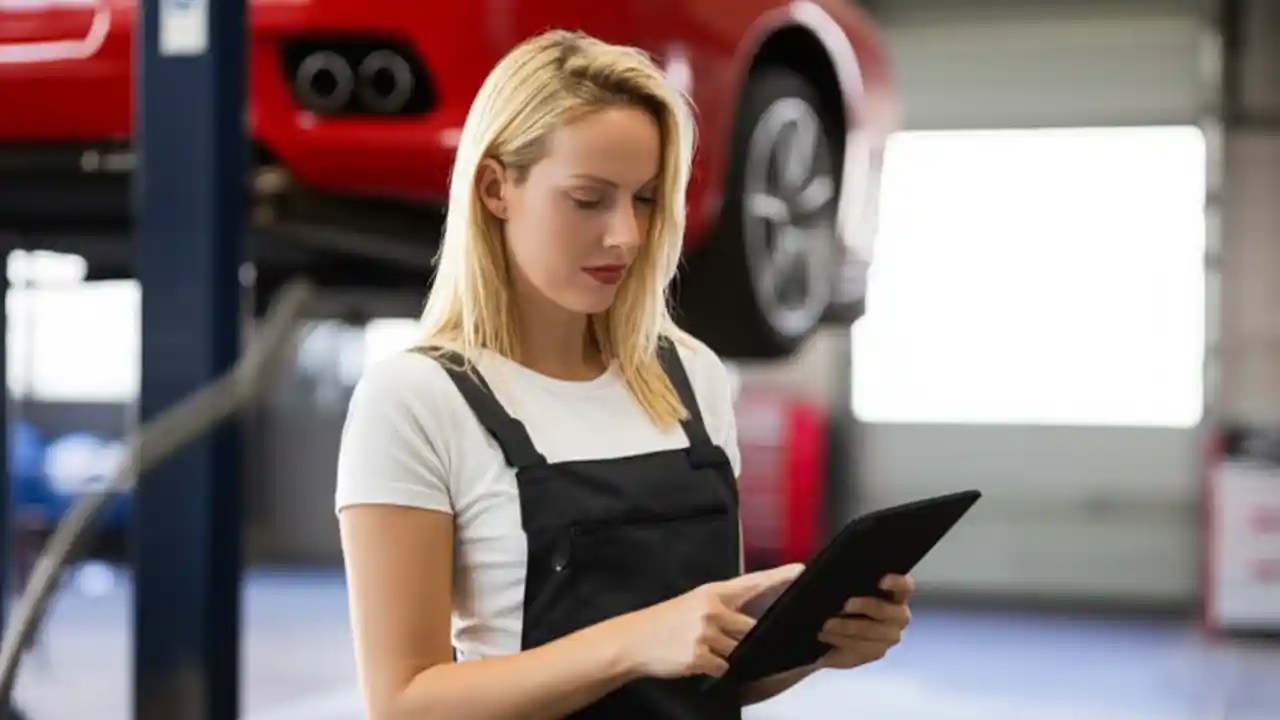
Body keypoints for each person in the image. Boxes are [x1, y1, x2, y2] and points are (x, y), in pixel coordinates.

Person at [335, 29, 914, 720]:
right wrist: (634, 642)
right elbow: (403, 704)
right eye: (588, 199)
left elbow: (711, 670)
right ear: (496, 187)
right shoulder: (416, 398)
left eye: (643, 198)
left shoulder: (689, 376)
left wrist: (817, 641)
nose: (627, 236)